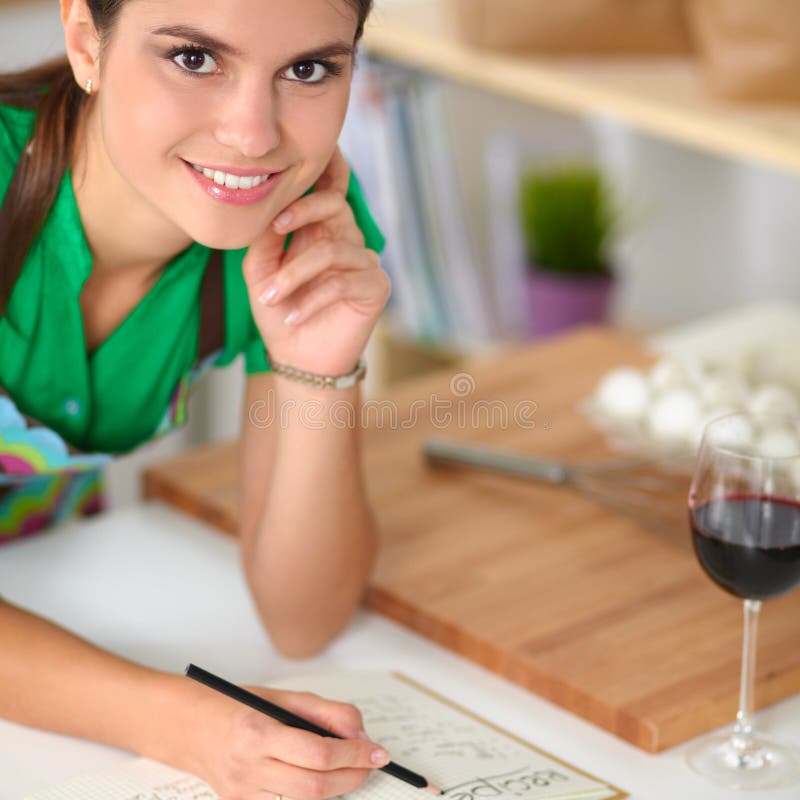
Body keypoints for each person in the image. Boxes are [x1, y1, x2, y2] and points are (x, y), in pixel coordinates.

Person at [0, 0, 395, 797]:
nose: (253, 135)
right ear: (86, 41)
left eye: (309, 69)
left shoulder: (298, 233)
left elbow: (304, 619)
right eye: (193, 59)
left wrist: (318, 370)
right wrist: (183, 723)